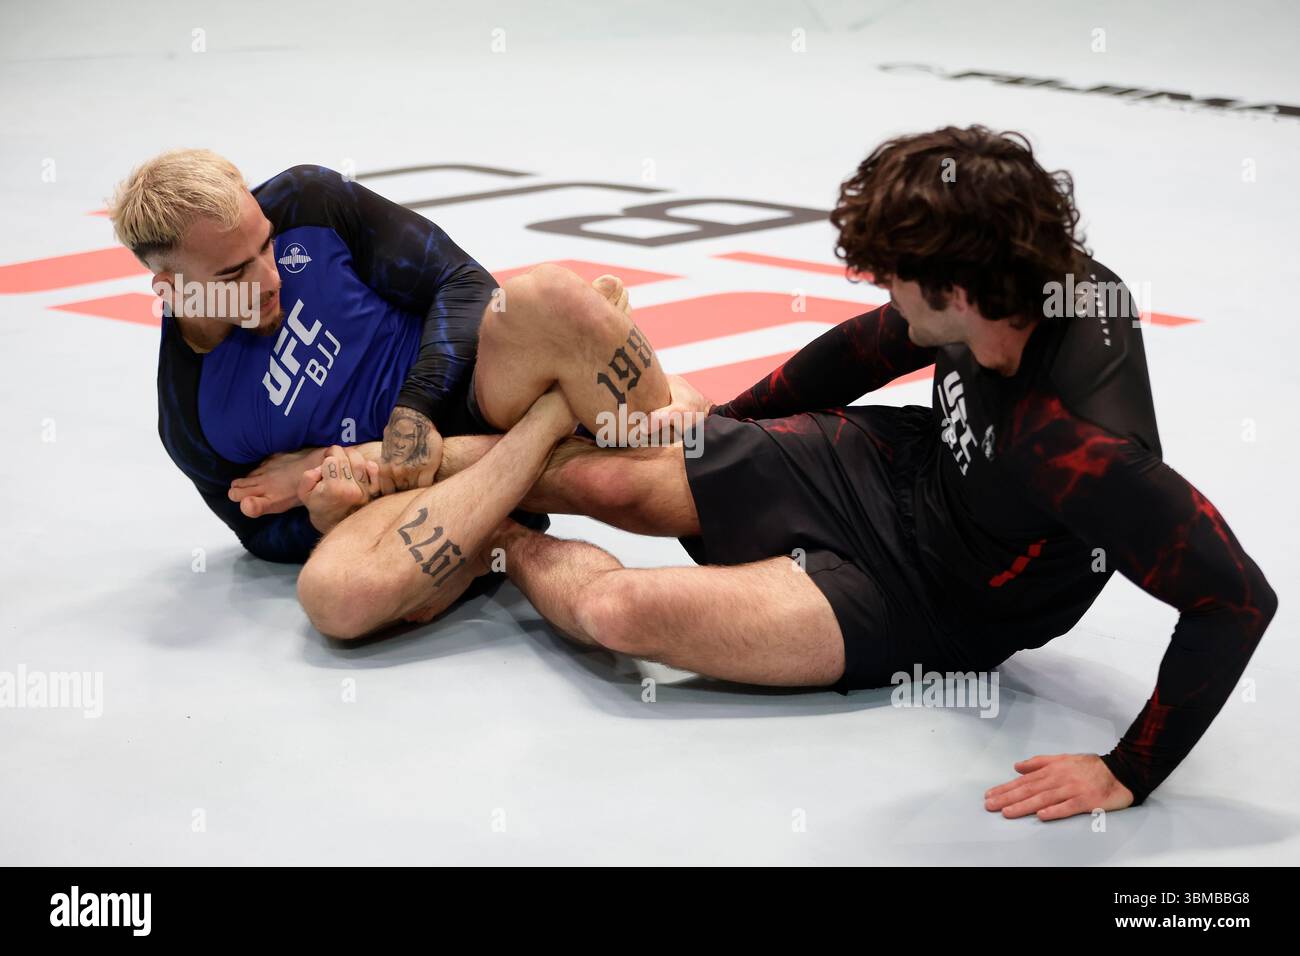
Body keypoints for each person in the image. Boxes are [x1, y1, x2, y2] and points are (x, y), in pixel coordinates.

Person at [296, 126, 1276, 821]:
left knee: (624, 618)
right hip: (891, 464)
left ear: (962, 292)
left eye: (898, 277)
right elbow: (871, 344)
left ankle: (494, 543)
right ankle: (394, 475)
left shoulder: (1080, 445)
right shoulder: (1002, 279)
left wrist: (1127, 770)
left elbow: (1235, 597)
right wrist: (729, 422)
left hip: (933, 602)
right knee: (614, 480)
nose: (883, 291)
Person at [107, 150, 670, 561]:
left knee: (545, 297)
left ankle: (705, 457)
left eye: (267, 244)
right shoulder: (191, 419)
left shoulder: (311, 201)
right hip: (411, 503)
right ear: (172, 290)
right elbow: (258, 536)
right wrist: (322, 506)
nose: (270, 277)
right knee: (342, 601)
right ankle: (559, 424)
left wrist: (415, 410)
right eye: (234, 273)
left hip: (478, 397)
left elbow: (464, 282)